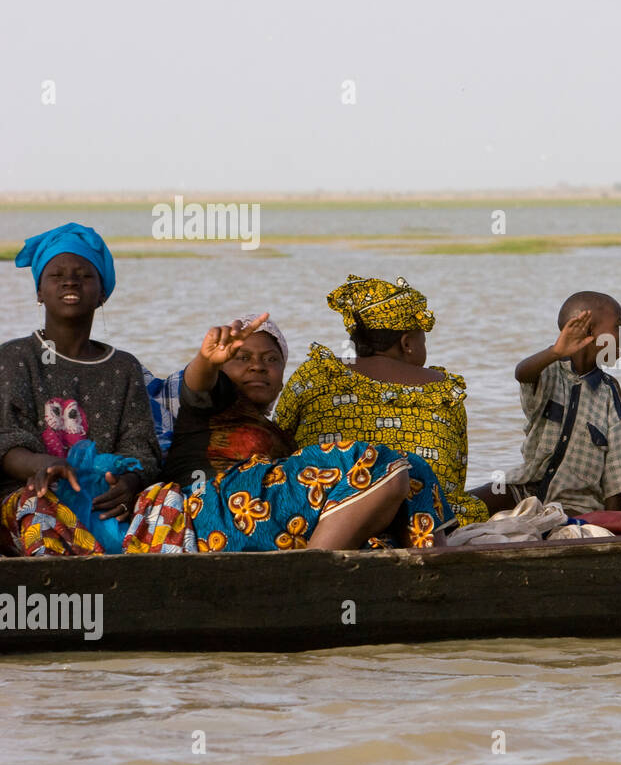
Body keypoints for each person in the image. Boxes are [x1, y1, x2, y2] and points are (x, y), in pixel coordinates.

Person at [124, 314, 454, 552]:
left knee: (412, 469)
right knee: (374, 461)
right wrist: (207, 360)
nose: (258, 366)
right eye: (242, 358)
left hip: (268, 517)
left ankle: (433, 561)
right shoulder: (212, 402)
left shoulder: (277, 432)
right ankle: (309, 575)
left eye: (271, 360)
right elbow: (197, 384)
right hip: (213, 510)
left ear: (281, 378)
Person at [274, 274, 488, 525]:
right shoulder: (443, 391)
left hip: (321, 517)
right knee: (500, 493)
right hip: (425, 522)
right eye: (423, 339)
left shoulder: (316, 375)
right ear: (407, 343)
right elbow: (454, 479)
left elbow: (278, 443)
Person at [0, 223, 161, 555]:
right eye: (56, 275)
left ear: (102, 293)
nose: (70, 281)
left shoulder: (123, 368)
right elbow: (6, 442)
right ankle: (74, 597)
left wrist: (129, 485)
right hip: (29, 499)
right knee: (38, 505)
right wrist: (41, 464)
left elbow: (141, 449)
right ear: (39, 292)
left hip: (103, 502)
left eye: (85, 275)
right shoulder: (14, 358)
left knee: (165, 500)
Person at [472, 291, 621, 516]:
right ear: (590, 332)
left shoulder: (608, 390)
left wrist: (611, 519)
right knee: (466, 505)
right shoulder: (549, 371)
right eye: (618, 326)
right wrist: (555, 352)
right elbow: (523, 374)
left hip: (575, 502)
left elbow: (618, 462)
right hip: (527, 487)